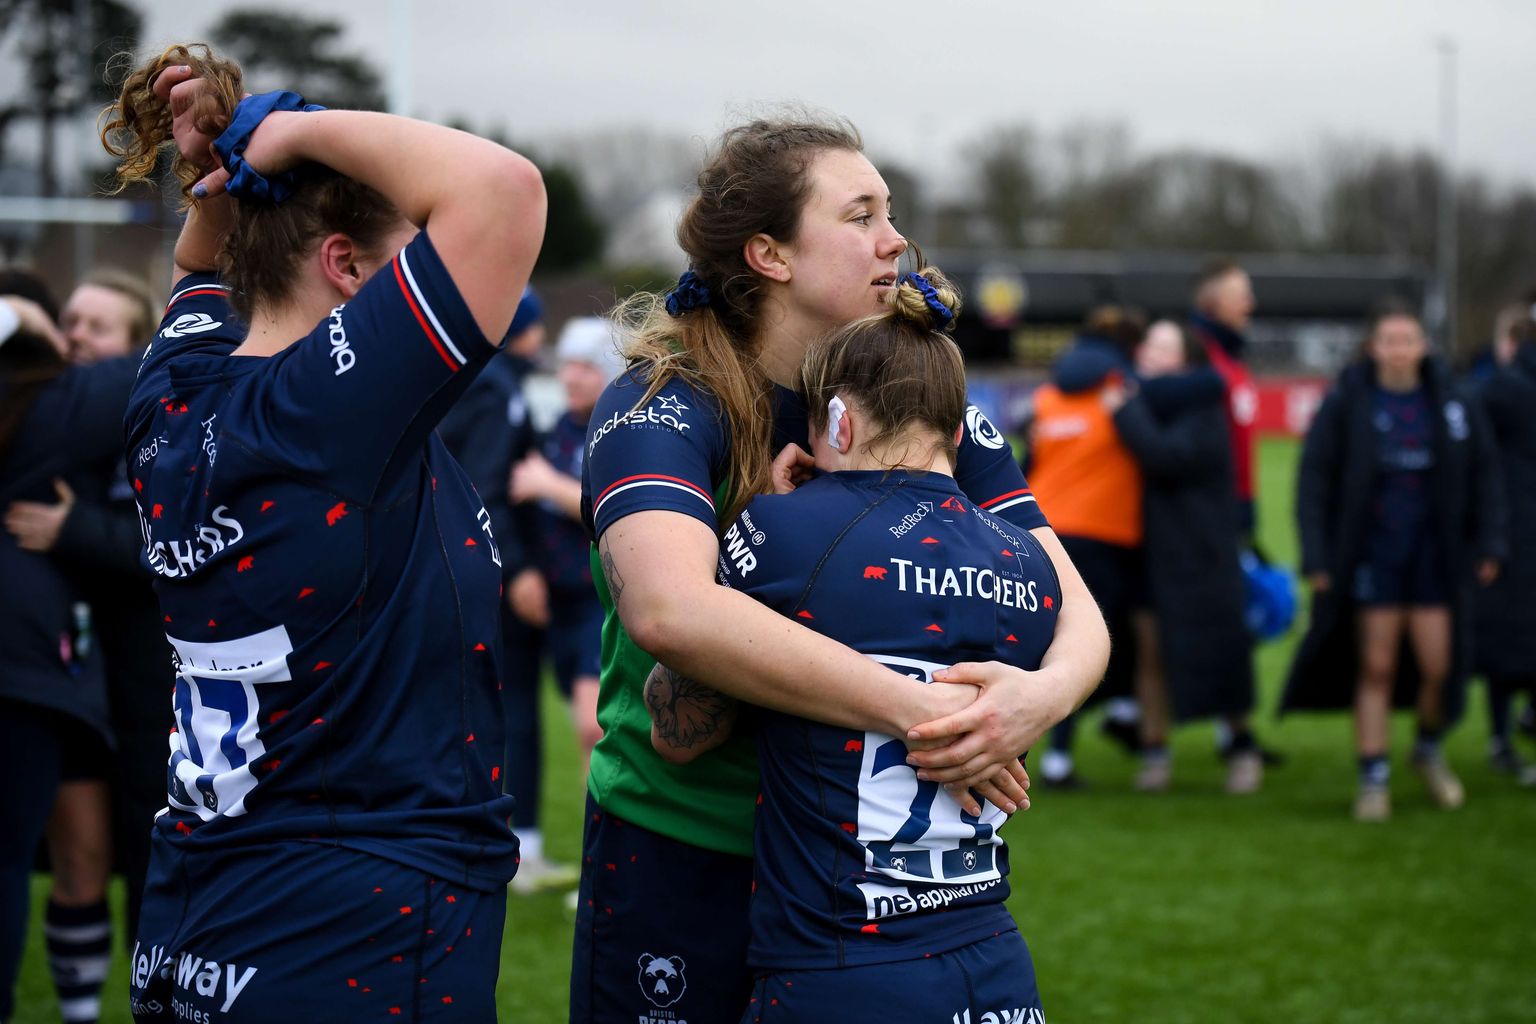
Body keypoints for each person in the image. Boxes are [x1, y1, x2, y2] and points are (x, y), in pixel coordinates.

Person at [572, 117, 1109, 1024]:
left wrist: (1037, 701)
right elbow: (668, 611)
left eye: (890, 211)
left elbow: (1076, 611)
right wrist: (921, 712)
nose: (895, 239)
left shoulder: (914, 400)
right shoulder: (664, 398)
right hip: (687, 845)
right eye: (861, 215)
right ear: (770, 254)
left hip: (858, 869)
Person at [101, 44, 544, 1021]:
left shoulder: (173, 394)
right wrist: (283, 130)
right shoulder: (320, 414)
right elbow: (503, 193)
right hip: (351, 932)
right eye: (403, 258)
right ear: (343, 267)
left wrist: (218, 166)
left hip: (200, 923)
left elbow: (196, 264)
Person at [648, 268, 1054, 1022]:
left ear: (836, 421)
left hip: (842, 963)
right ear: (958, 435)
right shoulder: (1027, 562)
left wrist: (758, 529)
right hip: (994, 959)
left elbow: (675, 730)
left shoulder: (785, 531)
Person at [4, 269, 164, 1024]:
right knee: (74, 857)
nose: (76, 337)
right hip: (61, 676)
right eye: (69, 321)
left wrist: (76, 532)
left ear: (138, 348)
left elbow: (176, 547)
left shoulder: (151, 430)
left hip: (137, 685)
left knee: (136, 855)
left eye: (100, 329)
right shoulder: (40, 415)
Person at [1285, 301, 1504, 821]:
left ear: (1422, 346)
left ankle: (1427, 749)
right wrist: (1316, 556)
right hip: (1372, 554)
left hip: (1434, 555)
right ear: (1374, 346)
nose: (1400, 350)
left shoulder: (1454, 401)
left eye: (1409, 340)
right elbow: (1313, 480)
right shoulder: (1348, 401)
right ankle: (1373, 776)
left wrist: (1491, 543)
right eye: (1390, 340)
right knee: (1376, 665)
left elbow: (1486, 476)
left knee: (1438, 666)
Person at [436, 287, 579, 893]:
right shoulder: (496, 389)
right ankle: (517, 848)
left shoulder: (472, 377)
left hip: (461, 569)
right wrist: (516, 569)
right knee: (513, 706)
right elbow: (487, 491)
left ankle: (491, 841)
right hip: (493, 573)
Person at [1104, 319, 1253, 791]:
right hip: (1150, 550)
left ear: (1185, 360)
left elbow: (1168, 457)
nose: (1148, 350)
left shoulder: (1202, 404)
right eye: (1147, 341)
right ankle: (1155, 755)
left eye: (1162, 346)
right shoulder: (1140, 396)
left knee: (1219, 650)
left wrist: (1125, 413)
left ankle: (1241, 748)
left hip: (1200, 550)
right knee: (1151, 654)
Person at [1021, 307, 1147, 788]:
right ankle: (1061, 757)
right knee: (1092, 641)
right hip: (1104, 531)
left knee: (1054, 637)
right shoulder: (1122, 392)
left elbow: (1029, 460)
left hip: (1044, 530)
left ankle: (1114, 717)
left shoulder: (1047, 396)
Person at [508, 315, 624, 778]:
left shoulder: (617, 430)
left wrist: (546, 485)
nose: (571, 376)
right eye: (568, 364)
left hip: (600, 598)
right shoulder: (558, 427)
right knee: (582, 727)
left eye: (587, 367)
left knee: (591, 723)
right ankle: (590, 836)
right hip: (560, 600)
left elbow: (613, 510)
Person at [1186, 259, 1268, 791]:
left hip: (1233, 516)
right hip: (1206, 521)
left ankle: (1231, 730)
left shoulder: (1232, 359)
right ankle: (1234, 737)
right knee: (1222, 627)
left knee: (1250, 618)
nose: (1251, 304)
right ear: (1215, 304)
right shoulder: (1203, 361)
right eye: (1242, 294)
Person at [1472, 302, 1536, 784]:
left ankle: (1505, 735)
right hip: (1516, 528)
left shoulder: (1505, 386)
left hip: (1512, 528)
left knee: (1508, 636)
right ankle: (1512, 729)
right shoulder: (1506, 389)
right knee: (1512, 634)